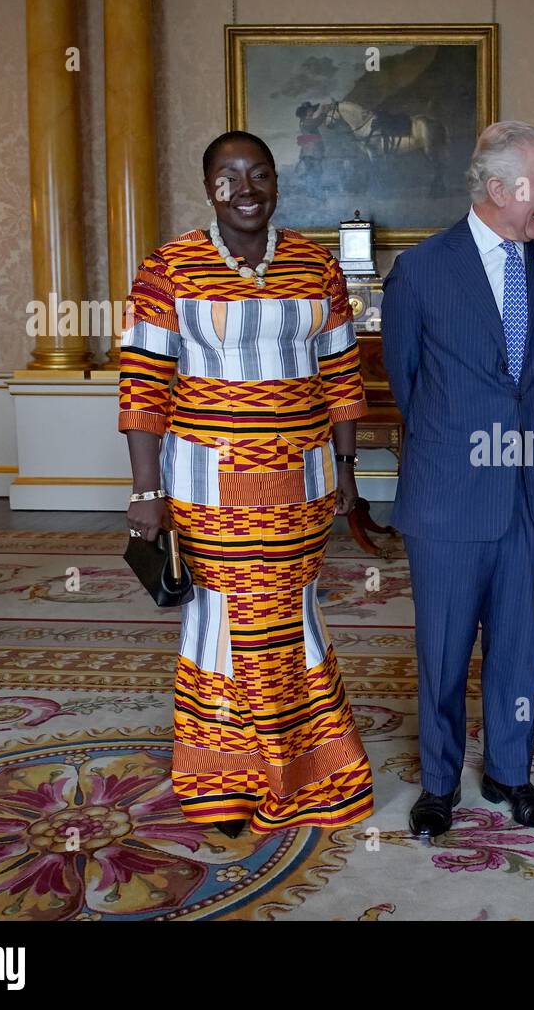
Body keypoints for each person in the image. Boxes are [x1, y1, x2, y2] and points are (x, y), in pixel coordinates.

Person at [119, 130, 373, 837]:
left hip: (303, 488)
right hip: (206, 488)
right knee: (223, 621)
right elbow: (143, 386)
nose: (247, 189)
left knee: (292, 613)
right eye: (230, 177)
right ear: (209, 188)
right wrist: (146, 492)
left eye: (259, 174)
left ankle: (308, 769)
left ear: (276, 182)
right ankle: (223, 782)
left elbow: (343, 377)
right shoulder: (170, 267)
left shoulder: (316, 267)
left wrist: (349, 469)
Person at [382, 121, 534, 837]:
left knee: (518, 646)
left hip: (531, 491)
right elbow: (405, 379)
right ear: (499, 189)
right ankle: (438, 784)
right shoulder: (423, 269)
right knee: (443, 648)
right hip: (449, 494)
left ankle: (511, 773)